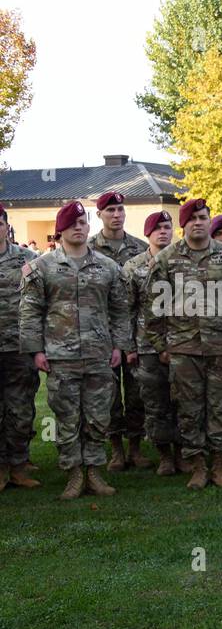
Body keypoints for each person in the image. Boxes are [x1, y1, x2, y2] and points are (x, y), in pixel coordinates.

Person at [19, 201, 131, 499]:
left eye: (82, 223)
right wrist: (36, 351)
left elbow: (120, 310)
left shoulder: (108, 267)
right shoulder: (42, 267)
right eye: (72, 224)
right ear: (61, 231)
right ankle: (73, 474)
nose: (79, 228)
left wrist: (119, 345)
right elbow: (30, 311)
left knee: (97, 417)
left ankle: (94, 472)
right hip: (60, 356)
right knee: (67, 417)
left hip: (98, 354)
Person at [145, 197, 222, 490]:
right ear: (183, 225)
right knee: (189, 408)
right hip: (183, 349)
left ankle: (219, 464)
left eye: (203, 217)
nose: (198, 222)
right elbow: (153, 308)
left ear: (210, 221)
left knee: (220, 406)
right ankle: (197, 465)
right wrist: (162, 346)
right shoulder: (166, 260)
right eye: (192, 218)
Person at [90, 191, 150, 472]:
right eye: (111, 210)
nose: (117, 215)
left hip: (136, 334)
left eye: (120, 210)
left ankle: (135, 447)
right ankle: (115, 449)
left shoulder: (140, 248)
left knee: (137, 391)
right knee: (110, 394)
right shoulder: (89, 249)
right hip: (102, 334)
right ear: (100, 215)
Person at [122, 211, 183, 476]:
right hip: (147, 346)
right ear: (148, 234)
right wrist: (129, 347)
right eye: (157, 228)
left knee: (183, 401)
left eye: (167, 227)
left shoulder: (183, 261)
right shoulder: (133, 267)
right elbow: (126, 309)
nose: (163, 232)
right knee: (155, 402)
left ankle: (183, 452)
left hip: (182, 343)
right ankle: (164, 455)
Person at [0, 203, 40, 491]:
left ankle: (18, 466)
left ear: (6, 226)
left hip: (18, 348)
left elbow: (40, 301)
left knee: (20, 410)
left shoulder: (28, 260)